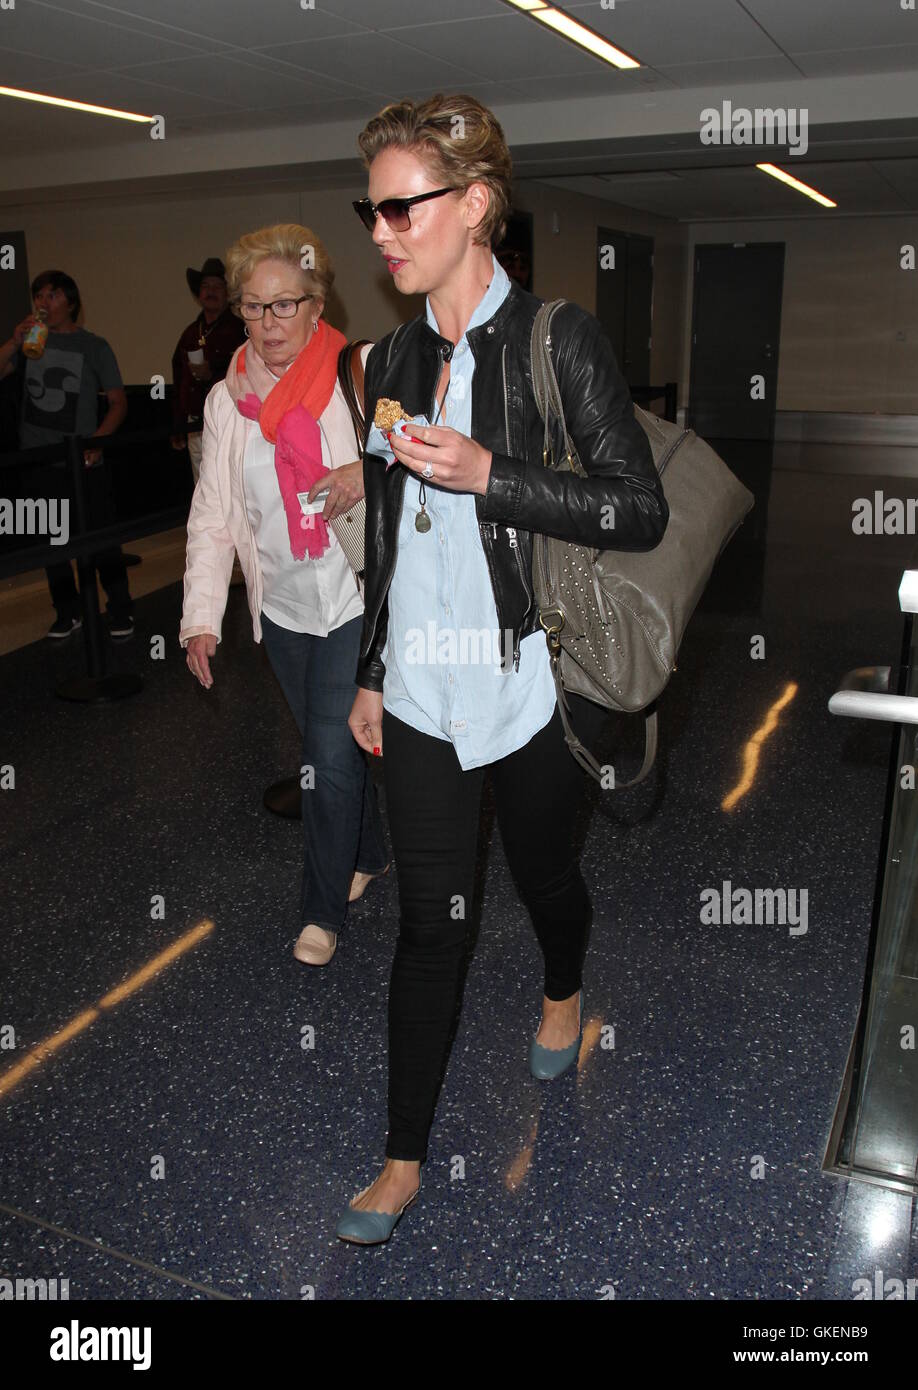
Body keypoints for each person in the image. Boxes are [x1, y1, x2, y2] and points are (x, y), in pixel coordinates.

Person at [337, 95, 669, 1245]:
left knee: (543, 881)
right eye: (369, 210)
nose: (380, 232)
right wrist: (374, 669)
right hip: (421, 694)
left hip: (531, 685)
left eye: (400, 206)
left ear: (474, 205)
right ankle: (401, 1157)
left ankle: (566, 982)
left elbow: (637, 509)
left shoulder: (556, 338)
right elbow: (386, 538)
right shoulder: (374, 360)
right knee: (433, 925)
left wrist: (494, 472)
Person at [180, 223, 389, 966]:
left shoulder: (362, 375)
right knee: (340, 749)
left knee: (327, 758)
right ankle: (373, 848)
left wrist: (368, 471)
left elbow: (420, 449)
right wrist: (201, 619)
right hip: (280, 606)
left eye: (285, 306)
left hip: (350, 599)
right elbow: (212, 516)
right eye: (254, 308)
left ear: (317, 302)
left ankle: (321, 912)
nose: (269, 325)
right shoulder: (224, 403)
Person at [0, 270, 133, 639]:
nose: (44, 303)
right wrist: (13, 342)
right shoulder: (29, 345)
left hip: (85, 461)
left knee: (101, 539)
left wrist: (97, 440)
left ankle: (121, 609)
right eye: (39, 296)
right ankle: (67, 611)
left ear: (70, 302)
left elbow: (118, 403)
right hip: (40, 461)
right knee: (51, 540)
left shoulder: (94, 346)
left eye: (53, 295)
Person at [170, 257, 246, 483]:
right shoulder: (190, 333)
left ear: (227, 293)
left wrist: (211, 374)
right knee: (202, 486)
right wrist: (178, 424)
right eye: (205, 287)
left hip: (231, 423)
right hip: (196, 425)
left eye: (217, 287)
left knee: (232, 484)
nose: (210, 292)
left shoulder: (240, 331)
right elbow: (178, 378)